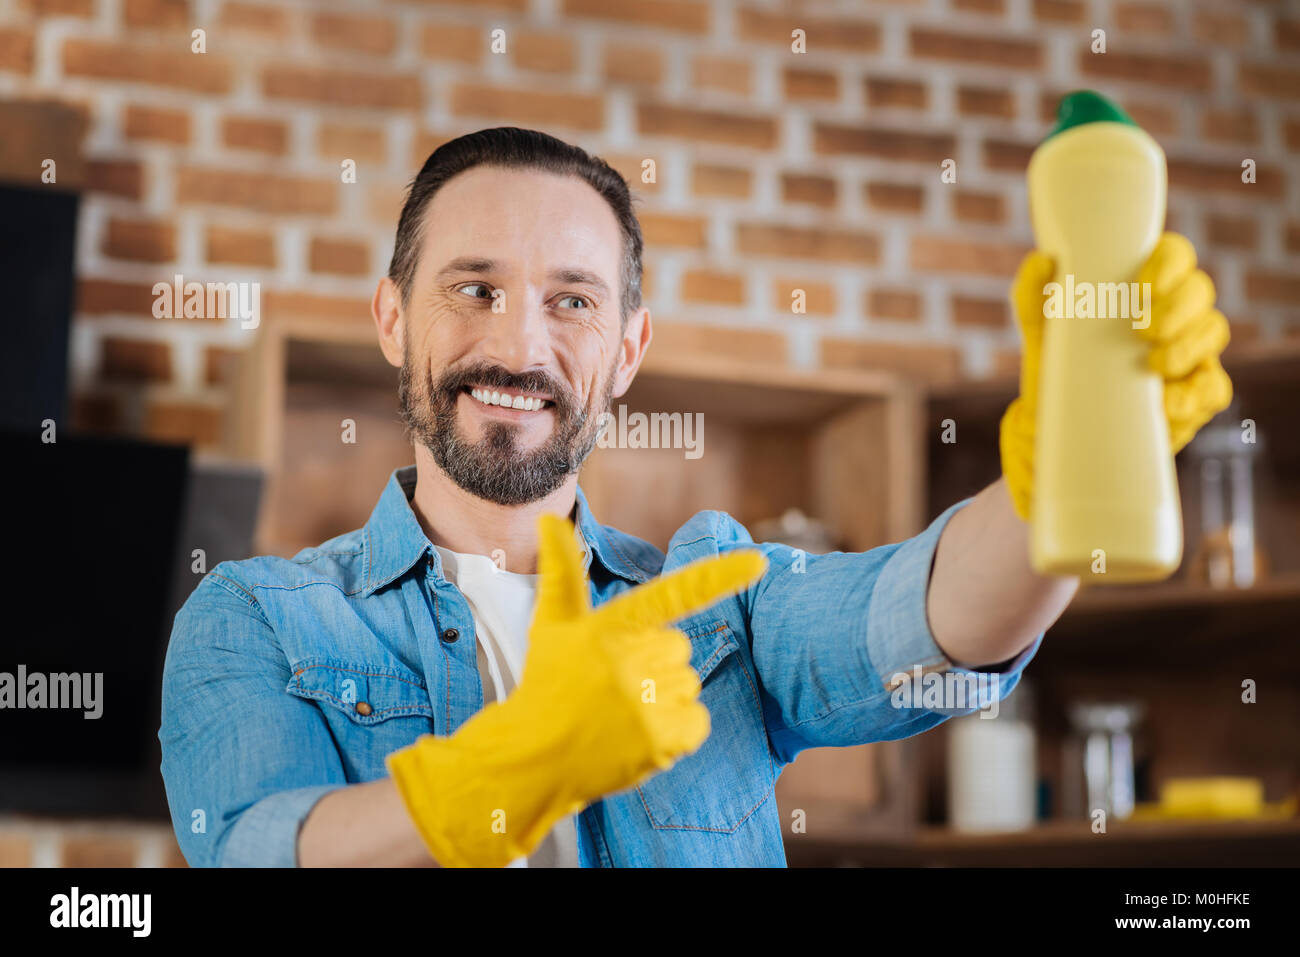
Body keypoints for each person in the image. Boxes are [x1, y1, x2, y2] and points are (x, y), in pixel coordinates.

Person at [158, 127, 1232, 867]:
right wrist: (510, 766)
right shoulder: (258, 616)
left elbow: (924, 628)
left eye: (570, 301)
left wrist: (1058, 478)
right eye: (474, 288)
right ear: (393, 319)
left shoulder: (710, 601)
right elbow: (255, 849)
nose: (519, 345)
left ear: (627, 349)